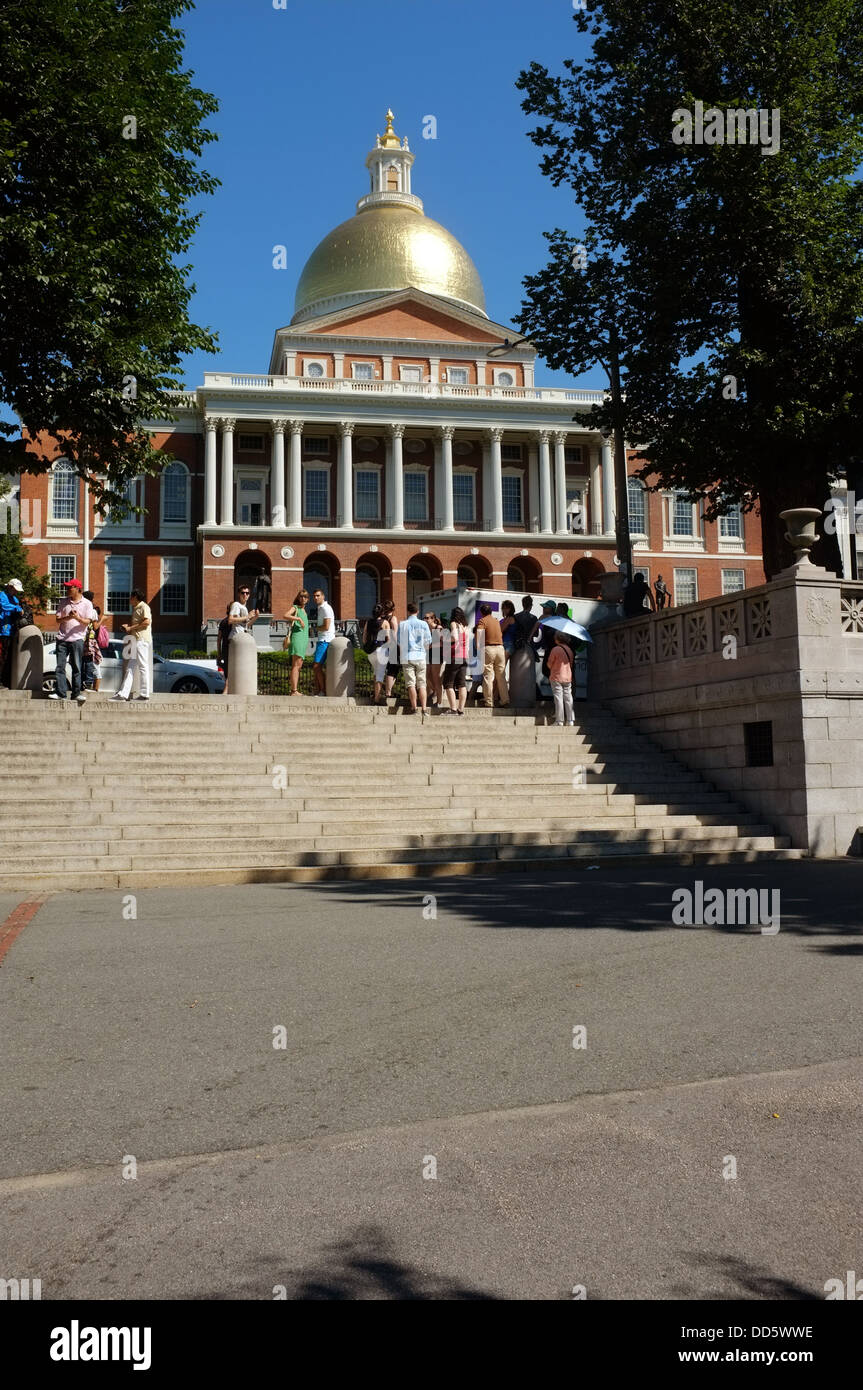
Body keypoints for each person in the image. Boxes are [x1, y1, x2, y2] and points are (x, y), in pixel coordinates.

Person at [52, 578, 94, 703]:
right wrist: (68, 617)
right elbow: (58, 620)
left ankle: (76, 694)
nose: (67, 589)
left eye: (70, 587)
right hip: (62, 638)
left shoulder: (87, 603)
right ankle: (60, 693)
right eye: (67, 587)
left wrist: (77, 617)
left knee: (76, 667)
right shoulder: (63, 601)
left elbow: (88, 621)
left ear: (77, 588)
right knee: (60, 667)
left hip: (77, 639)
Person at [111, 588, 152, 702]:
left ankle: (144, 694)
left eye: (131, 597)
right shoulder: (136, 608)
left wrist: (130, 628)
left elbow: (146, 622)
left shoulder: (144, 607)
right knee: (130, 667)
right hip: (137, 640)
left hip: (141, 640)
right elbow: (140, 624)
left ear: (135, 598)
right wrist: (128, 627)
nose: (129, 599)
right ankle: (123, 694)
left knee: (143, 666)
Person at [222, 584, 258, 694]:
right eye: (243, 593)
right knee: (232, 674)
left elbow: (245, 625)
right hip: (235, 640)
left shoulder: (245, 608)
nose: (245, 595)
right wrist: (247, 616)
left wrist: (255, 617)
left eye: (247, 593)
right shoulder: (236, 605)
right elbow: (231, 620)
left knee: (237, 673)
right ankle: (224, 696)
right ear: (239, 594)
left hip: (242, 640)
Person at [397, 601, 431, 714]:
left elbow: (398, 642)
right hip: (420, 656)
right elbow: (428, 641)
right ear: (418, 611)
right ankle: (424, 708)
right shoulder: (424, 624)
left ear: (408, 611)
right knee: (422, 683)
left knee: (410, 683)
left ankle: (414, 708)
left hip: (407, 656)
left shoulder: (402, 624)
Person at [476, 602, 509, 709]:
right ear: (491, 612)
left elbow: (480, 636)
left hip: (488, 649)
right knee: (501, 677)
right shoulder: (496, 621)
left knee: (488, 676)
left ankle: (489, 702)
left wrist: (478, 649)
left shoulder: (482, 620)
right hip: (500, 648)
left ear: (482, 613)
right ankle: (505, 700)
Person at [444, 607, 469, 715]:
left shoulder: (454, 623)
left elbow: (454, 637)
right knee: (461, 684)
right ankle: (461, 710)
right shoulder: (465, 626)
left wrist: (445, 639)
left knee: (448, 683)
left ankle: (453, 709)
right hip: (464, 657)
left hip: (454, 656)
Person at [283, 589, 309, 695]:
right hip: (297, 638)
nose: (303, 598)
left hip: (303, 639)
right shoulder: (296, 608)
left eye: (305, 597)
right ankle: (293, 690)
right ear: (298, 598)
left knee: (299, 665)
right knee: (296, 665)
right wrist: (298, 619)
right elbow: (285, 615)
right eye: (301, 596)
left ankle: (295, 689)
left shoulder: (304, 611)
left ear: (308, 599)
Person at [0, 577, 24, 688]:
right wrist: (17, 608)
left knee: (10, 658)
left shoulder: (15, 600)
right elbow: (4, 607)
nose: (15, 592)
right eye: (14, 590)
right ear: (9, 587)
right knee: (2, 657)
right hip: (2, 632)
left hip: (12, 632)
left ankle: (7, 681)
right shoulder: (2, 595)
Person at [548, 631, 575, 727]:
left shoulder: (555, 649)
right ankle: (570, 720)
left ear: (557, 639)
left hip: (557, 676)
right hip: (568, 677)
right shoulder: (569, 650)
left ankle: (559, 721)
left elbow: (549, 663)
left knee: (558, 698)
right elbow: (571, 663)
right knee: (568, 698)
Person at [312, 587, 335, 695]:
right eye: (314, 596)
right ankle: (318, 690)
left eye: (318, 595)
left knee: (316, 666)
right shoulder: (320, 608)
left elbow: (326, 626)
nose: (316, 598)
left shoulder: (325, 608)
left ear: (323, 596)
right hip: (322, 639)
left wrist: (314, 629)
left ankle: (323, 690)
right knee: (317, 667)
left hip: (326, 640)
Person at [83, 605, 106, 692]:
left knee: (95, 667)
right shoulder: (89, 624)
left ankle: (94, 688)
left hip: (92, 646)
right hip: (88, 645)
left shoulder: (94, 625)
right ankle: (93, 687)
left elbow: (96, 628)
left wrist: (102, 619)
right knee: (92, 666)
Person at [425, 611, 445, 707]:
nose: (425, 619)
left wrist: (430, 646)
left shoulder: (438, 628)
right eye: (425, 618)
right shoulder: (426, 629)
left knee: (436, 678)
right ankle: (436, 691)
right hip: (428, 655)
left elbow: (443, 642)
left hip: (437, 655)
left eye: (427, 617)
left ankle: (439, 701)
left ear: (433, 619)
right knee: (426, 676)